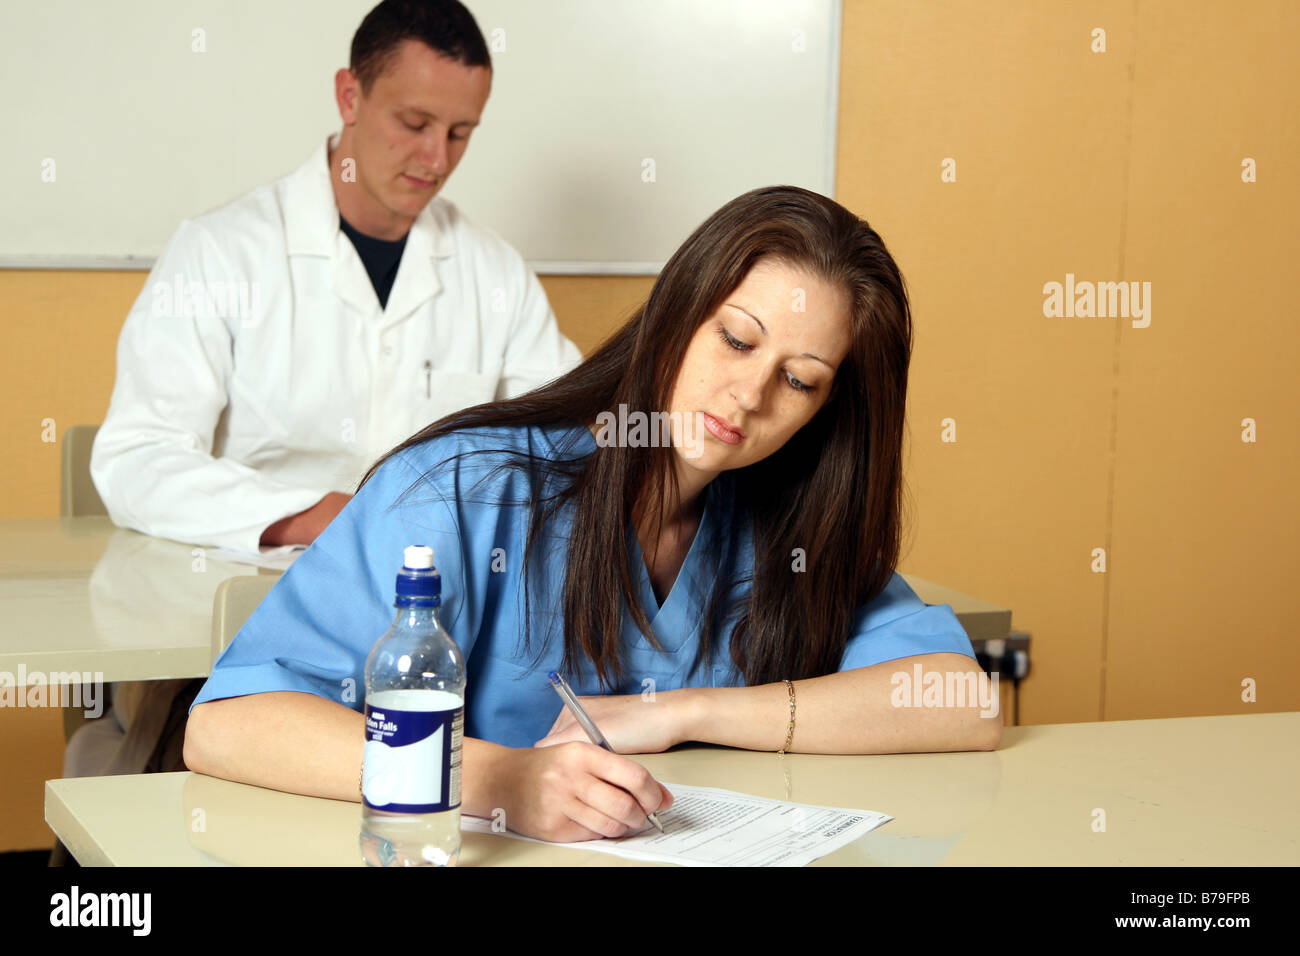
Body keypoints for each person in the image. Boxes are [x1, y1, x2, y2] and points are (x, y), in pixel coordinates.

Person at [184, 185, 1002, 846]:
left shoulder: (782, 526)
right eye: (737, 340)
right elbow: (228, 727)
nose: (749, 395)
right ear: (680, 312)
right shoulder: (464, 489)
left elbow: (962, 701)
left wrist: (679, 712)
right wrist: (501, 781)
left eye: (800, 380)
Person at [90, 0, 581, 555]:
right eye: (415, 123)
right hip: (251, 594)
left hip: (435, 591)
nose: (436, 158)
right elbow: (137, 460)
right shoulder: (221, 252)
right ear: (350, 96)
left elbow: (568, 443)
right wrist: (317, 517)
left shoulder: (497, 274)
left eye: (460, 133)